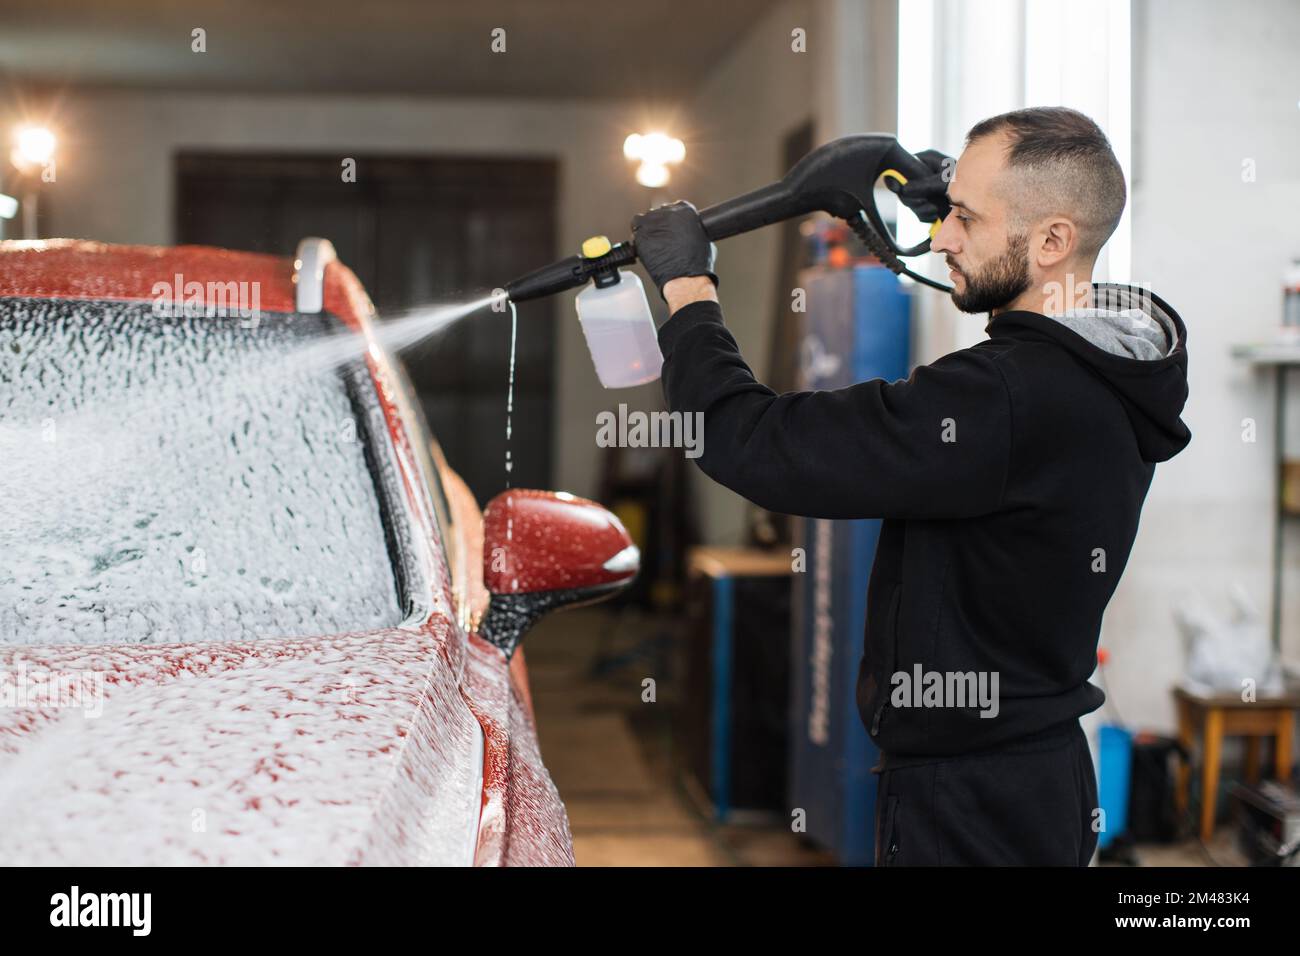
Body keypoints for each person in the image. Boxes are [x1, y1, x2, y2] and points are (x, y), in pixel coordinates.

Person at [630, 106, 1190, 866]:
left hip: (969, 809)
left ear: (1055, 240)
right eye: (947, 208)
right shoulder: (1107, 370)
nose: (942, 238)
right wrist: (963, 208)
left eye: (964, 218)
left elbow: (751, 444)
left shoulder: (1002, 399)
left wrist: (688, 292)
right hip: (1038, 778)